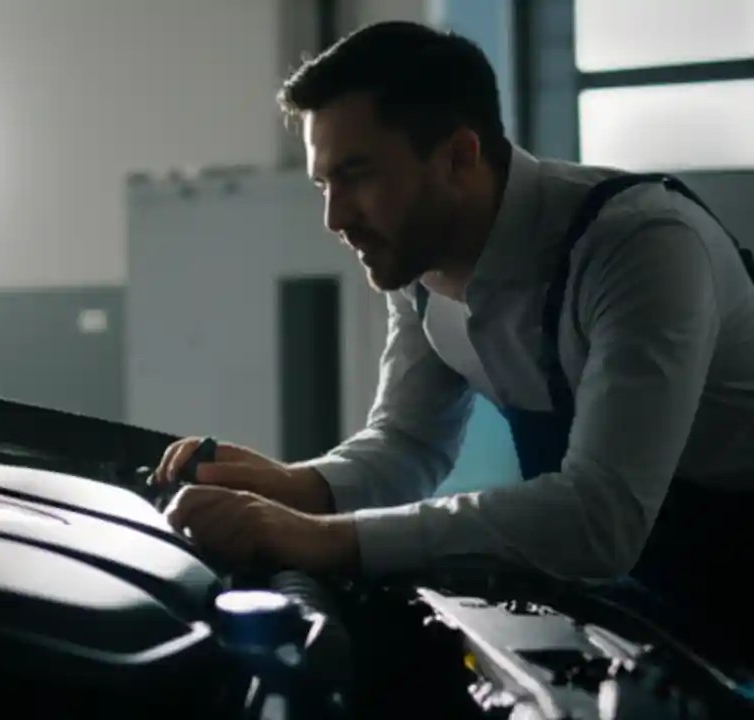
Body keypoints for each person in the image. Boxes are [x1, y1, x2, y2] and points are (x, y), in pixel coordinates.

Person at [152, 20, 754, 648]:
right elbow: (407, 445)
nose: (335, 217)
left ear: (460, 157)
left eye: (358, 175)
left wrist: (322, 538)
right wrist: (297, 488)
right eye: (324, 184)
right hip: (654, 602)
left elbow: (598, 519)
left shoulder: (640, 246)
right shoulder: (420, 266)